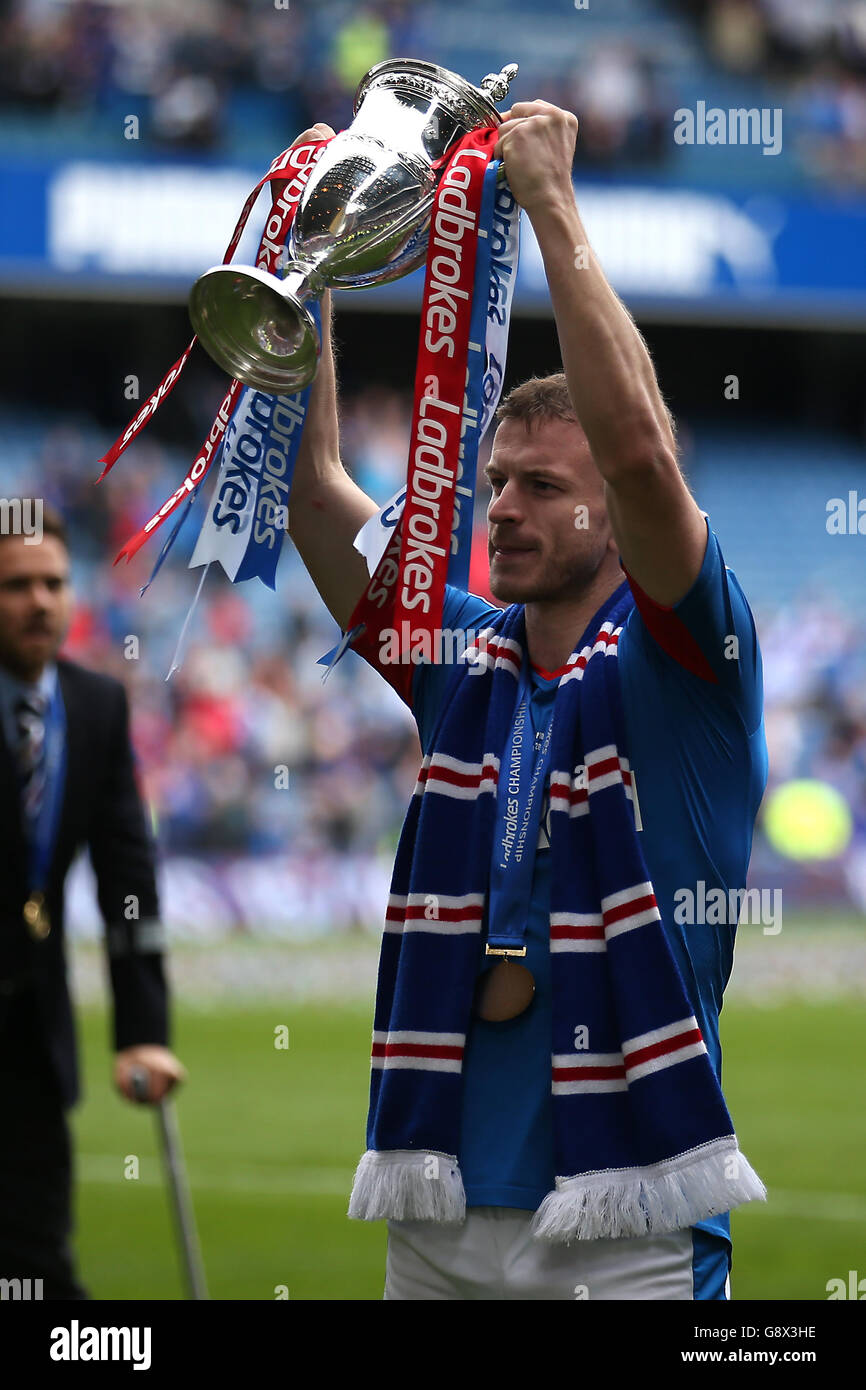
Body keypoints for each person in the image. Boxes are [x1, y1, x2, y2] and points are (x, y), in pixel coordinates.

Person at [287, 100, 768, 1301]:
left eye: (543, 487)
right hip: (439, 1207)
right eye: (495, 481)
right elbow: (312, 499)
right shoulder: (454, 647)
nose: (497, 508)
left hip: (630, 1218)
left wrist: (551, 205)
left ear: (612, 513)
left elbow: (646, 457)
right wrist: (305, 270)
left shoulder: (688, 653)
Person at [0, 501, 185, 1300]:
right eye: (15, 586)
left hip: (33, 1040)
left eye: (52, 582)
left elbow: (127, 878)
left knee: (37, 1265)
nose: (39, 601)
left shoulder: (97, 706)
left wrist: (143, 1031)